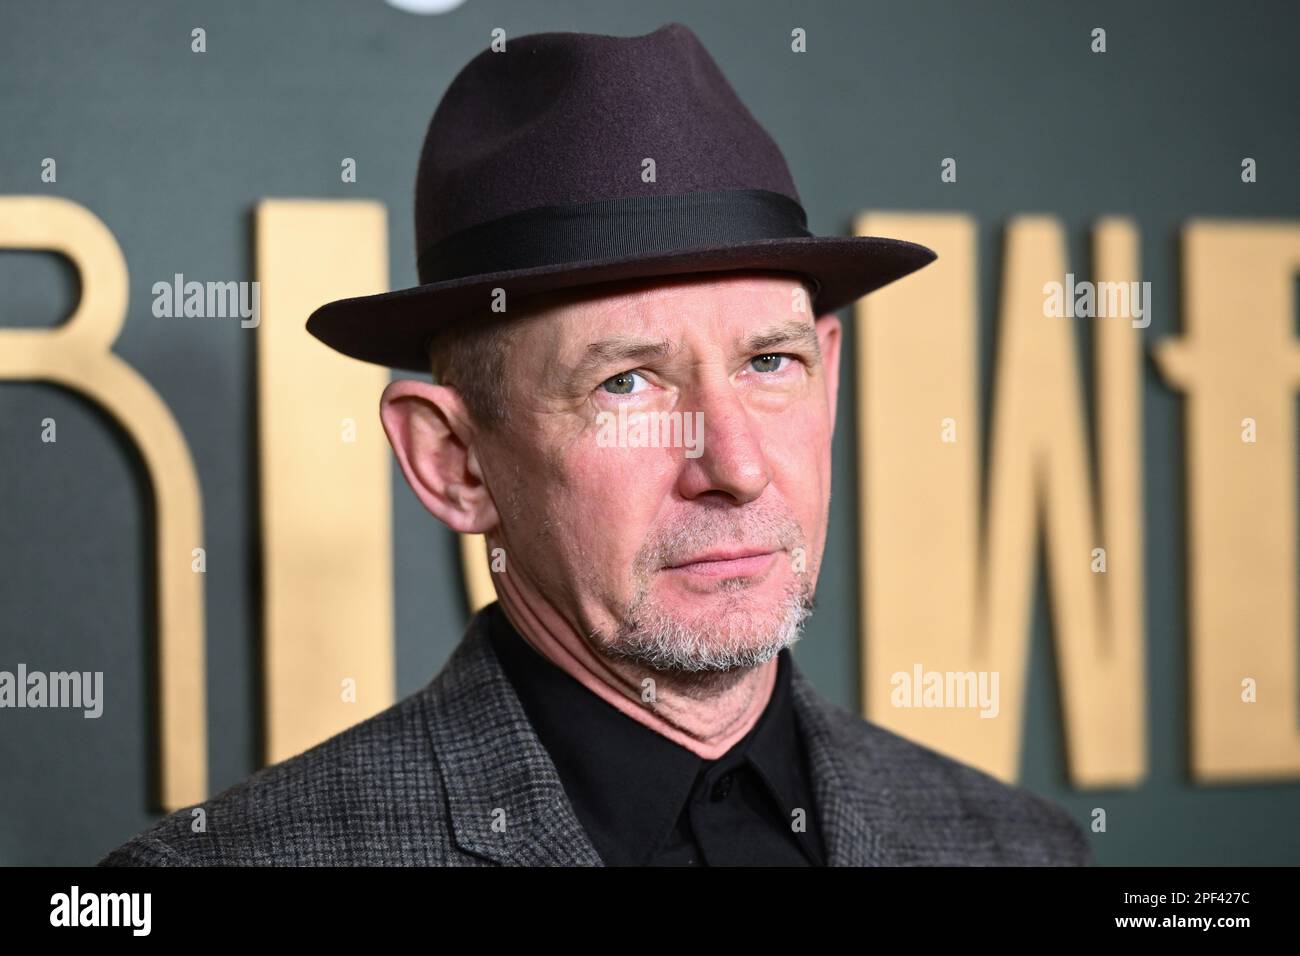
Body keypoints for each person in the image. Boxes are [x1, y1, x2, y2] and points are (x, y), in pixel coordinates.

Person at [100, 22, 1090, 867]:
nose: (735, 467)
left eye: (769, 363)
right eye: (626, 382)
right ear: (453, 460)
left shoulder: (1016, 848)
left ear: (827, 373)